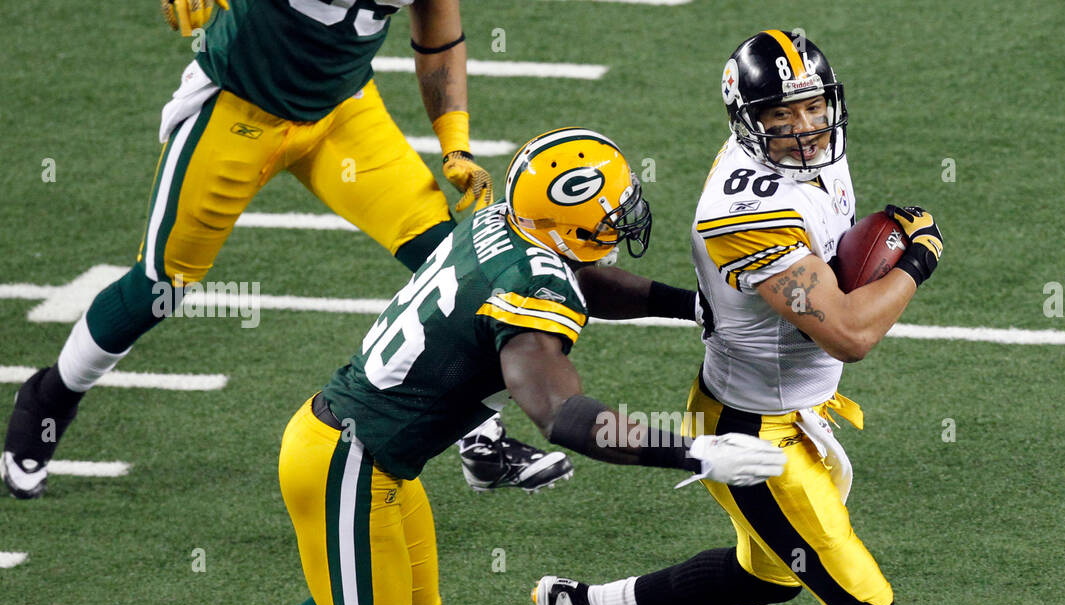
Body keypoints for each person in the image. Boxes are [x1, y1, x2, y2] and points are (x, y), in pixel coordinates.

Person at [144, 127, 787, 605]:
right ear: (563, 223)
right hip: (347, 465)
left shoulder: (507, 225)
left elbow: (578, 277)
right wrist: (693, 452)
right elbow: (561, 414)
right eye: (608, 215)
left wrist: (686, 306)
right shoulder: (533, 285)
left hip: (365, 454)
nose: (622, 221)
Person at [1, 0, 694, 500]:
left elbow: (437, 33)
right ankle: (50, 395)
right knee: (163, 283)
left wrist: (453, 142)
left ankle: (480, 443)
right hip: (237, 109)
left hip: (340, 111)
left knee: (459, 262)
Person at [533, 31, 953, 605]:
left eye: (813, 104)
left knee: (769, 575)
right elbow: (850, 334)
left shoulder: (815, 159)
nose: (804, 125)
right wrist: (916, 262)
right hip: (752, 434)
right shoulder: (747, 212)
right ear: (747, 119)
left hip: (794, 409)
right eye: (783, 112)